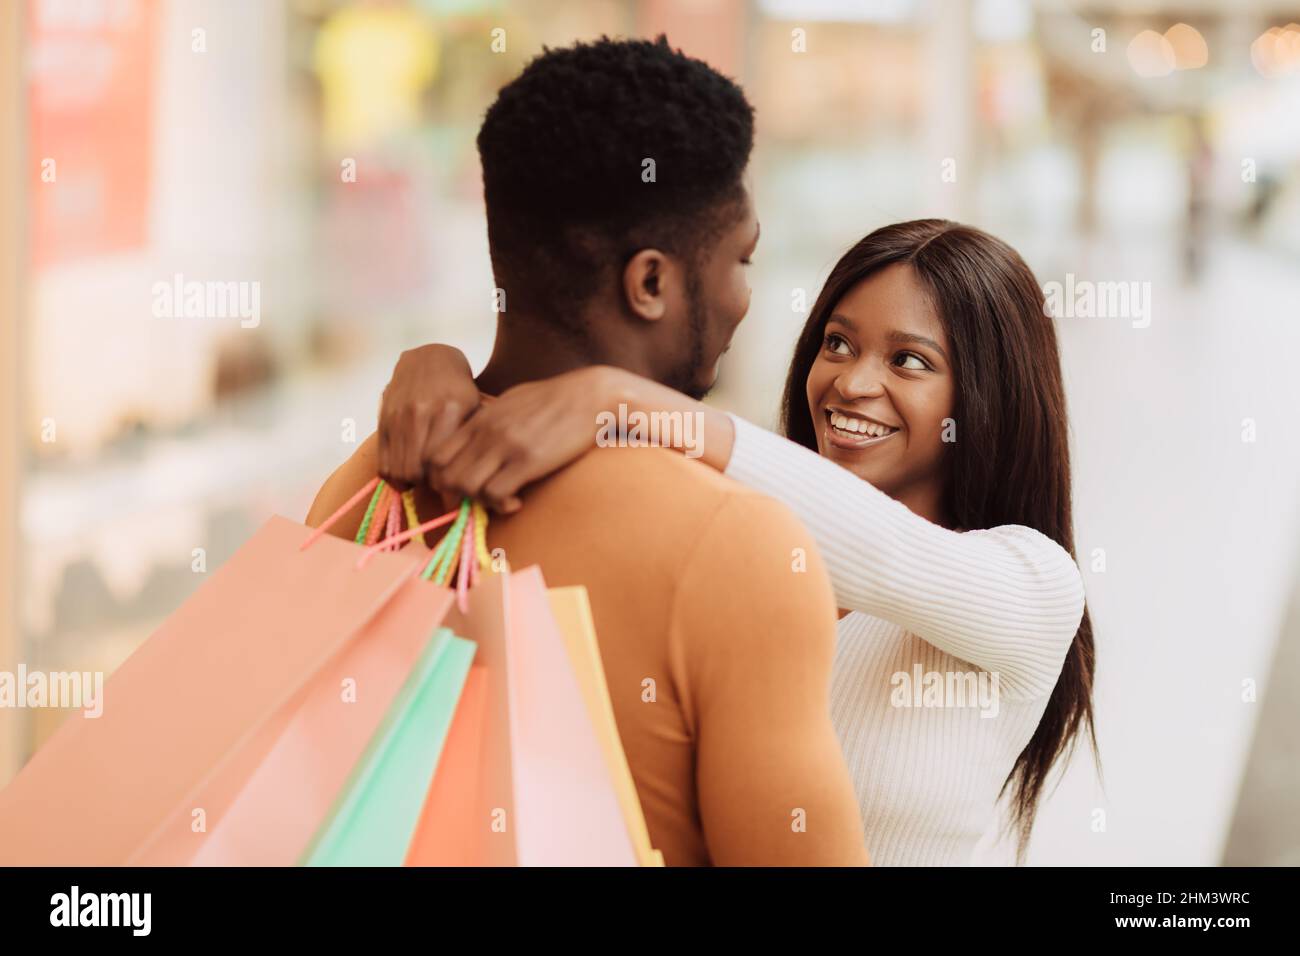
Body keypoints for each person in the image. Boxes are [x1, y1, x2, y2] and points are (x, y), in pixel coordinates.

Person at [307, 37, 869, 867]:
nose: (744, 295)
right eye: (740, 260)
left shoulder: (363, 496)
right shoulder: (737, 549)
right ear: (650, 284)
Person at [378, 220, 1095, 865]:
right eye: (837, 342)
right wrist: (440, 367)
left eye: (909, 361)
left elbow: (883, 554)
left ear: (989, 396)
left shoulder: (1034, 585)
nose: (851, 381)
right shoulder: (746, 524)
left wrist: (616, 398)